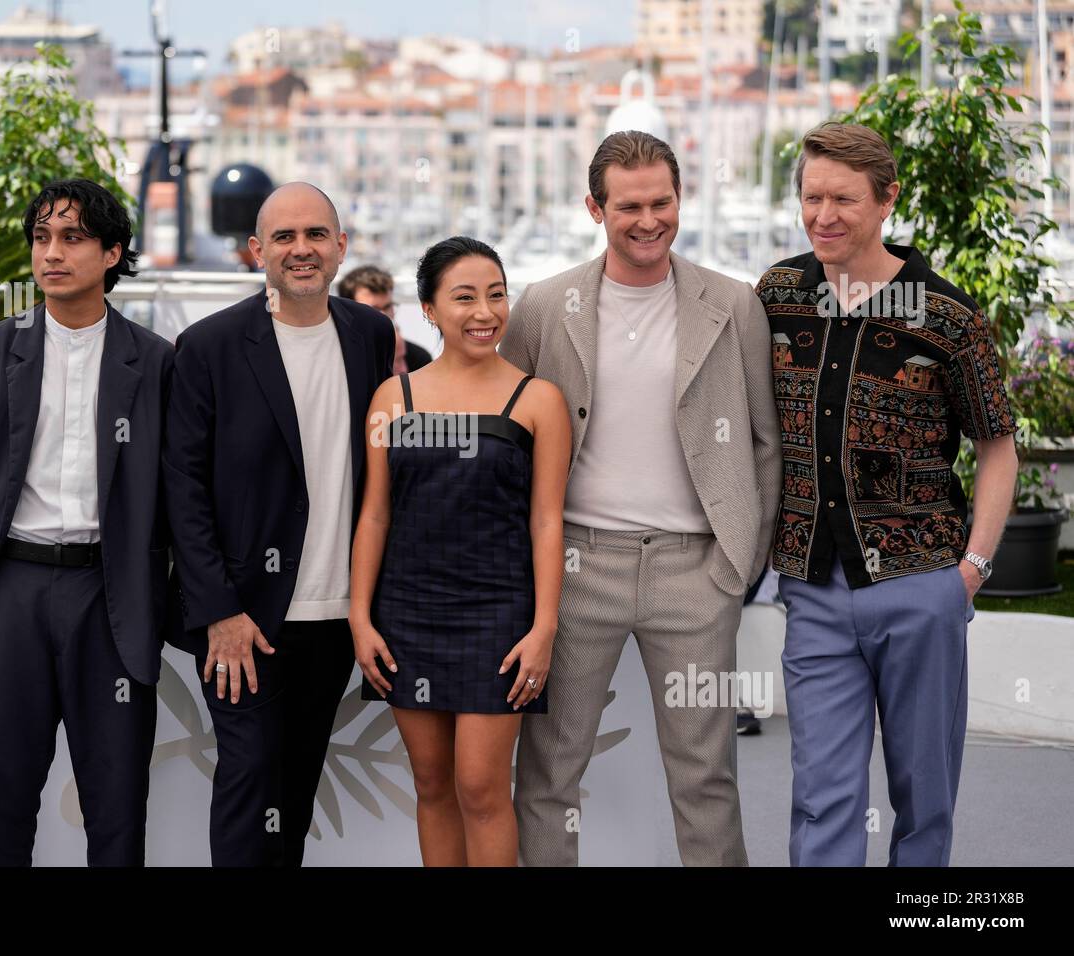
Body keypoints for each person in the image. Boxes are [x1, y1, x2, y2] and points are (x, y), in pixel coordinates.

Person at [503, 130, 782, 867]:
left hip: (698, 576)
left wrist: (739, 564)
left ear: (680, 198)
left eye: (662, 201)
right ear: (594, 207)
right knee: (549, 773)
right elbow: (505, 437)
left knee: (706, 776)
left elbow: (764, 442)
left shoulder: (732, 303)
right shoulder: (541, 305)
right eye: (629, 206)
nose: (648, 219)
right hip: (574, 570)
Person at [756, 122, 1019, 866]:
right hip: (812, 585)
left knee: (924, 795)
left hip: (924, 584)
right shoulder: (780, 294)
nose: (822, 216)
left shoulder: (947, 317)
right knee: (822, 794)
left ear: (887, 200)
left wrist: (972, 570)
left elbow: (998, 447)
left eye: (842, 199)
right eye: (811, 198)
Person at [162, 182, 396, 866]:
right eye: (285, 238)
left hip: (334, 617)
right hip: (245, 622)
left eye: (316, 235)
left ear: (340, 247)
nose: (302, 250)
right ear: (257, 251)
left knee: (292, 794)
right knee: (250, 781)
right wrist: (219, 612)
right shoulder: (208, 346)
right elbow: (183, 490)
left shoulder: (370, 334)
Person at [0, 179, 172, 866]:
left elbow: (173, 489)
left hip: (111, 599)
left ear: (112, 253)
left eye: (72, 238)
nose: (52, 253)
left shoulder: (157, 361)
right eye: (42, 238)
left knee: (116, 803)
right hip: (10, 589)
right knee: (0, 797)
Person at [350, 237, 571, 866]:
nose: (485, 312)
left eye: (497, 295)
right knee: (431, 783)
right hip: (407, 615)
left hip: (499, 617)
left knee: (481, 786)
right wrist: (360, 618)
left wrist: (544, 628)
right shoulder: (394, 399)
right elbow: (374, 514)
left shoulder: (538, 400)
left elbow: (547, 521)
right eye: (465, 297)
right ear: (428, 308)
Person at [338, 263, 433, 371]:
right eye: (373, 310)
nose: (384, 317)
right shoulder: (336, 359)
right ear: (347, 313)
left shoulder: (418, 359)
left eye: (388, 307)